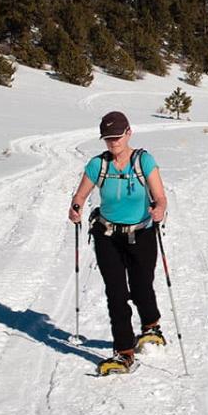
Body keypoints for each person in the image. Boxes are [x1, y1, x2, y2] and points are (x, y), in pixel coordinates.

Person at [68, 111, 169, 374]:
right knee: (116, 293)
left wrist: (159, 209)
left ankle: (151, 326)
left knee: (140, 286)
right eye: (108, 138)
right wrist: (76, 207)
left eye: (117, 137)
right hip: (107, 236)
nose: (113, 143)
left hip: (142, 234)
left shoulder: (143, 161)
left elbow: (160, 196)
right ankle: (124, 352)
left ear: (128, 133)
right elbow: (80, 194)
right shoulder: (98, 165)